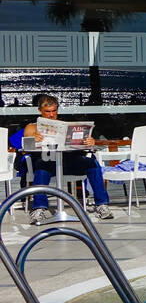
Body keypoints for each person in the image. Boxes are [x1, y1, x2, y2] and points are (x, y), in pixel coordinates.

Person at [22, 93, 114, 223]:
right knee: (42, 166)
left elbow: (81, 145)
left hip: (69, 161)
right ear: (40, 111)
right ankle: (39, 208)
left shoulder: (65, 125)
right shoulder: (31, 127)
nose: (51, 115)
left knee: (92, 163)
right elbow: (26, 148)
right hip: (48, 162)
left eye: (54, 111)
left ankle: (101, 205)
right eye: (47, 111)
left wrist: (90, 142)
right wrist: (33, 139)